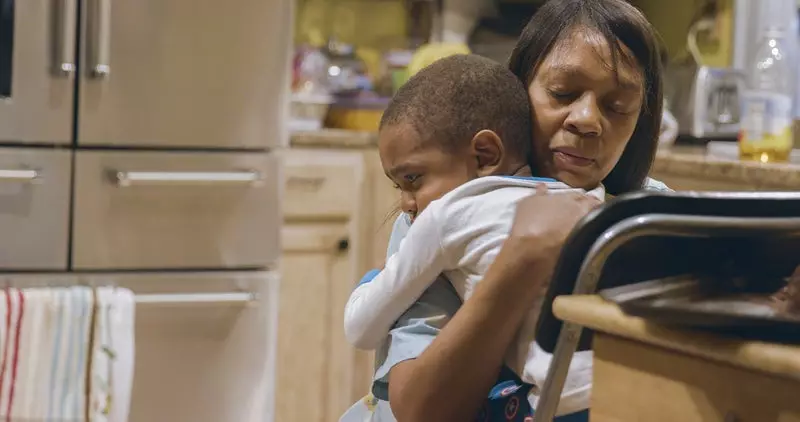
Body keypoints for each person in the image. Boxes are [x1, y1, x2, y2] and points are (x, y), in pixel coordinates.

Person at [346, 0, 670, 421]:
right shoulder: (446, 209)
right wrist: (523, 256)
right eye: (562, 93)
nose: (587, 119)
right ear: (518, 89)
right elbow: (421, 410)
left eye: (617, 107)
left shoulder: (649, 214)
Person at [343, 53, 605, 417]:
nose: (405, 203)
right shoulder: (586, 199)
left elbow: (361, 329)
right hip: (622, 388)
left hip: (558, 401)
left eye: (412, 179)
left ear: (485, 155)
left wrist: (374, 281)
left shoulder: (446, 215)